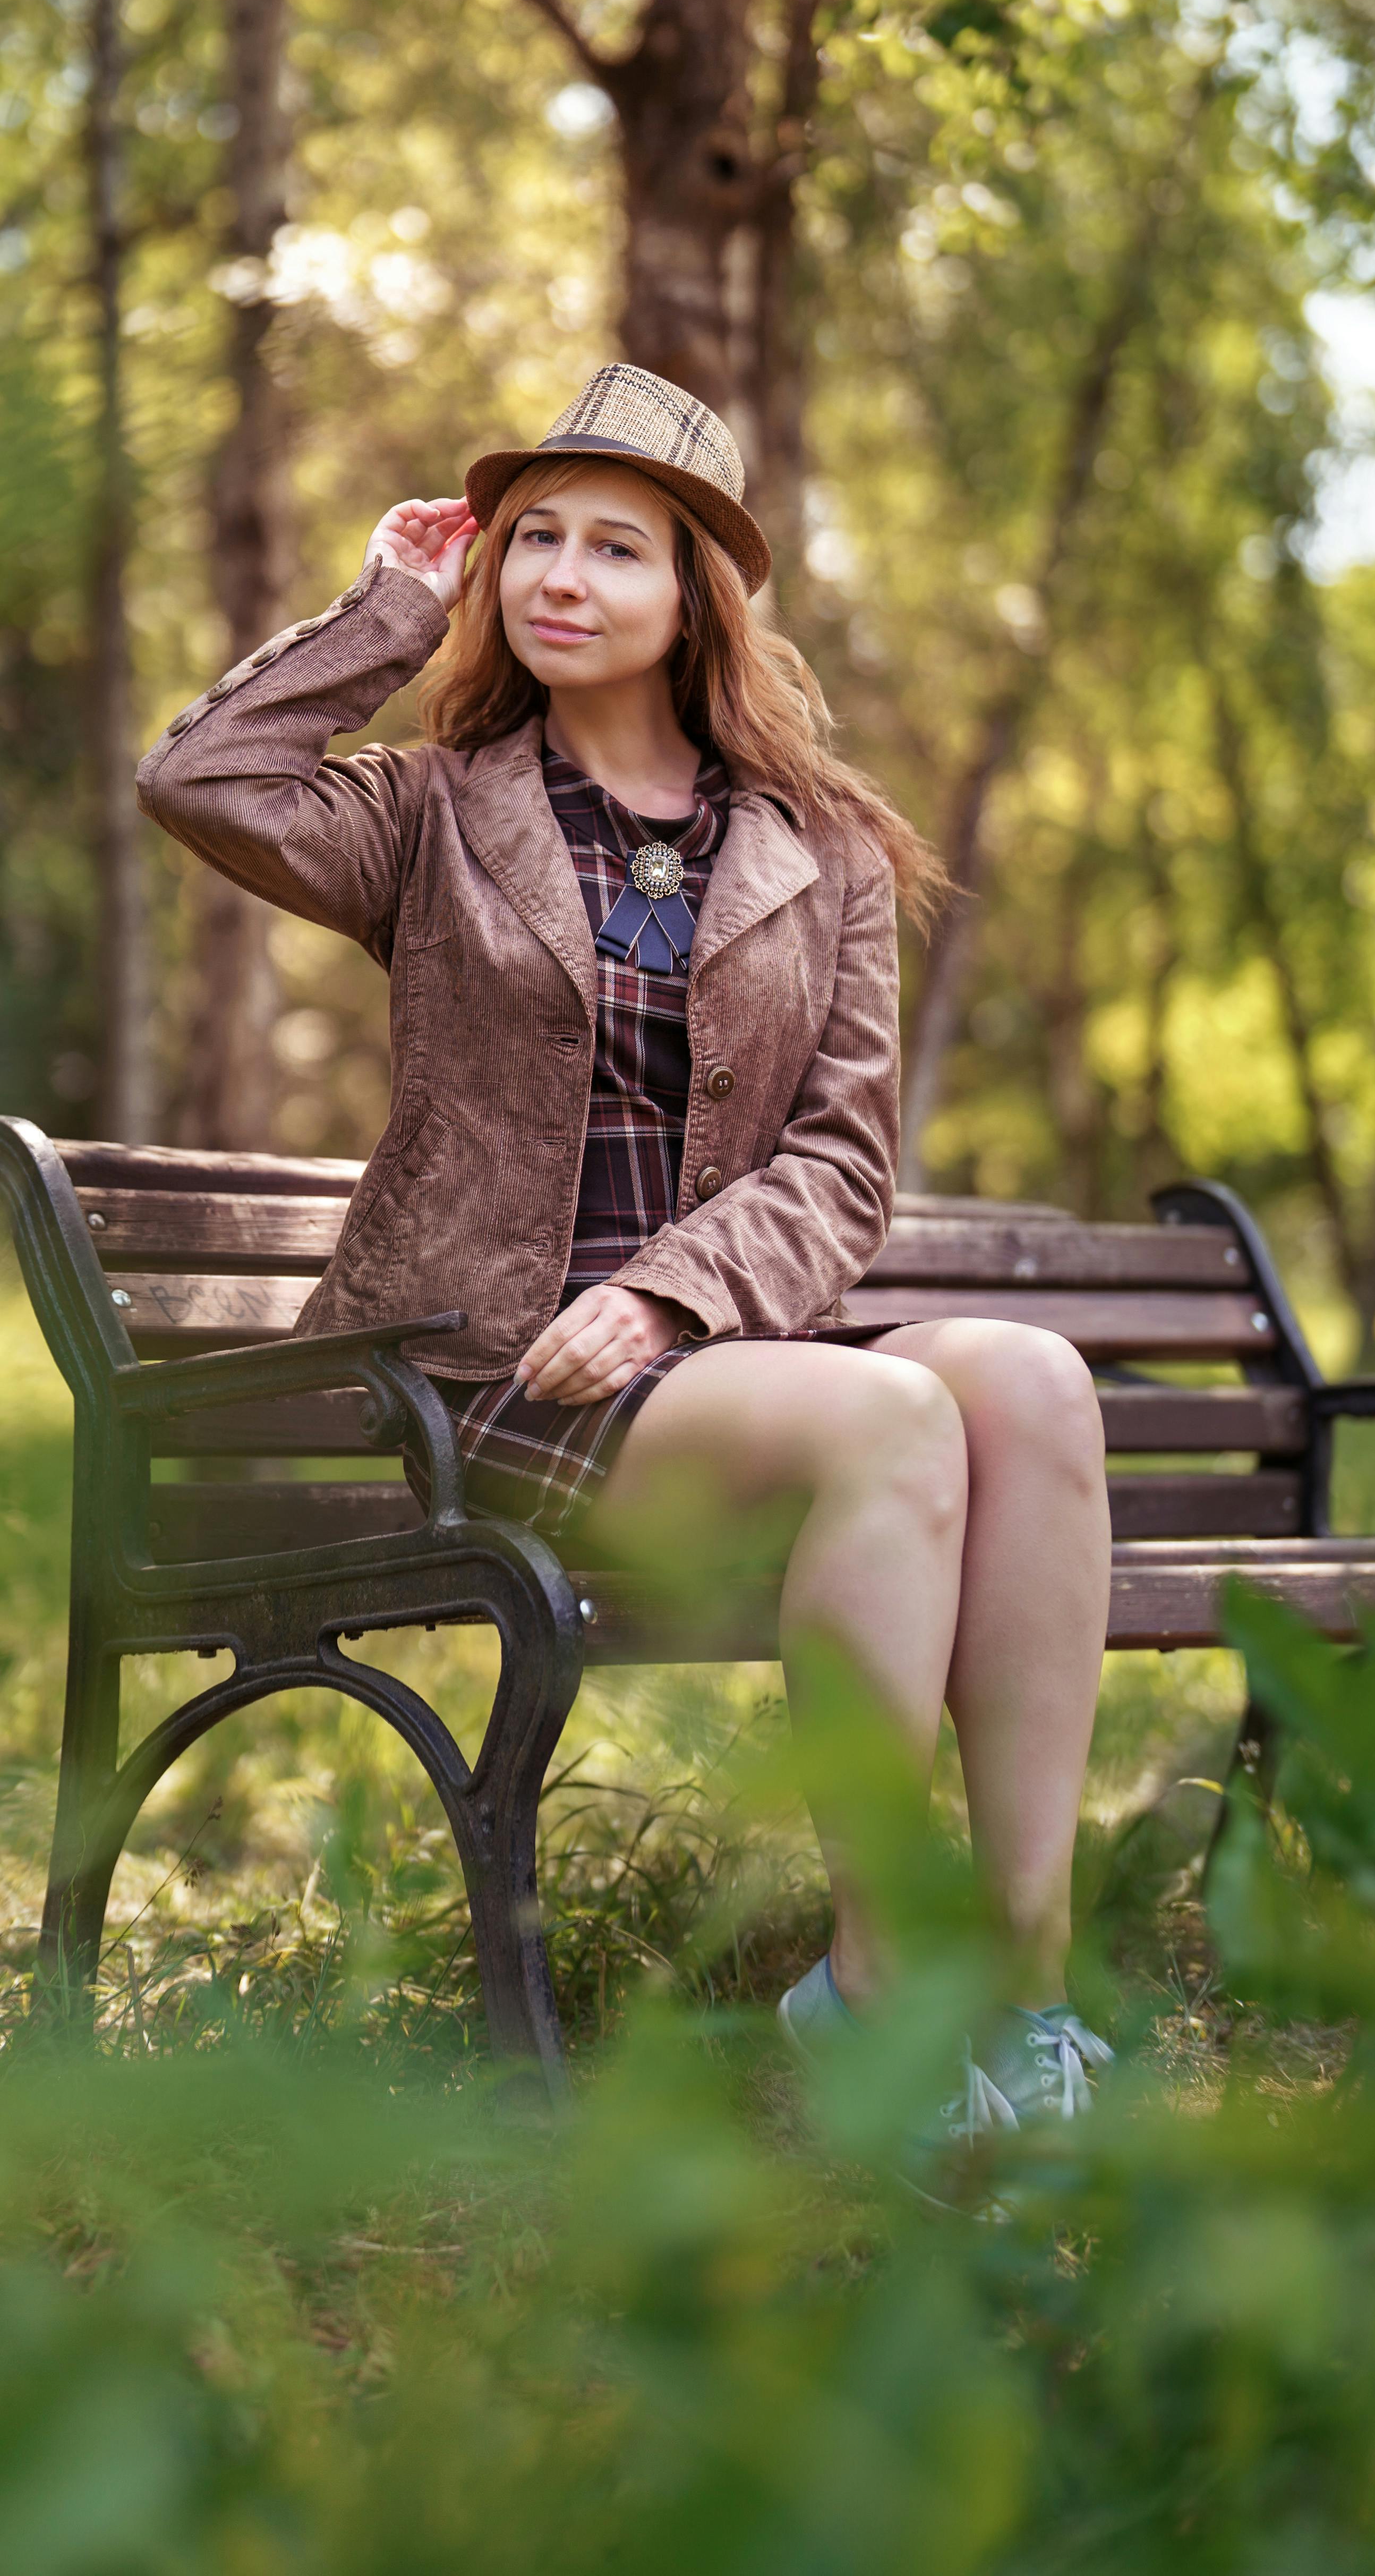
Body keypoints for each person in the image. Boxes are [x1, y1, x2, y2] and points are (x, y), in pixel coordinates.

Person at [138, 362, 1113, 2182]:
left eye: (616, 548)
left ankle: (1033, 2002)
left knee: (1036, 1388)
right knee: (898, 1413)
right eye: (533, 543)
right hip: (491, 1382)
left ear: (696, 601)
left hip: (701, 1355)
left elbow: (842, 1160)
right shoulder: (428, 815)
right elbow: (198, 778)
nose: (559, 578)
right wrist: (386, 613)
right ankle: (882, 2000)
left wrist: (672, 1292)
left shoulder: (824, 848)